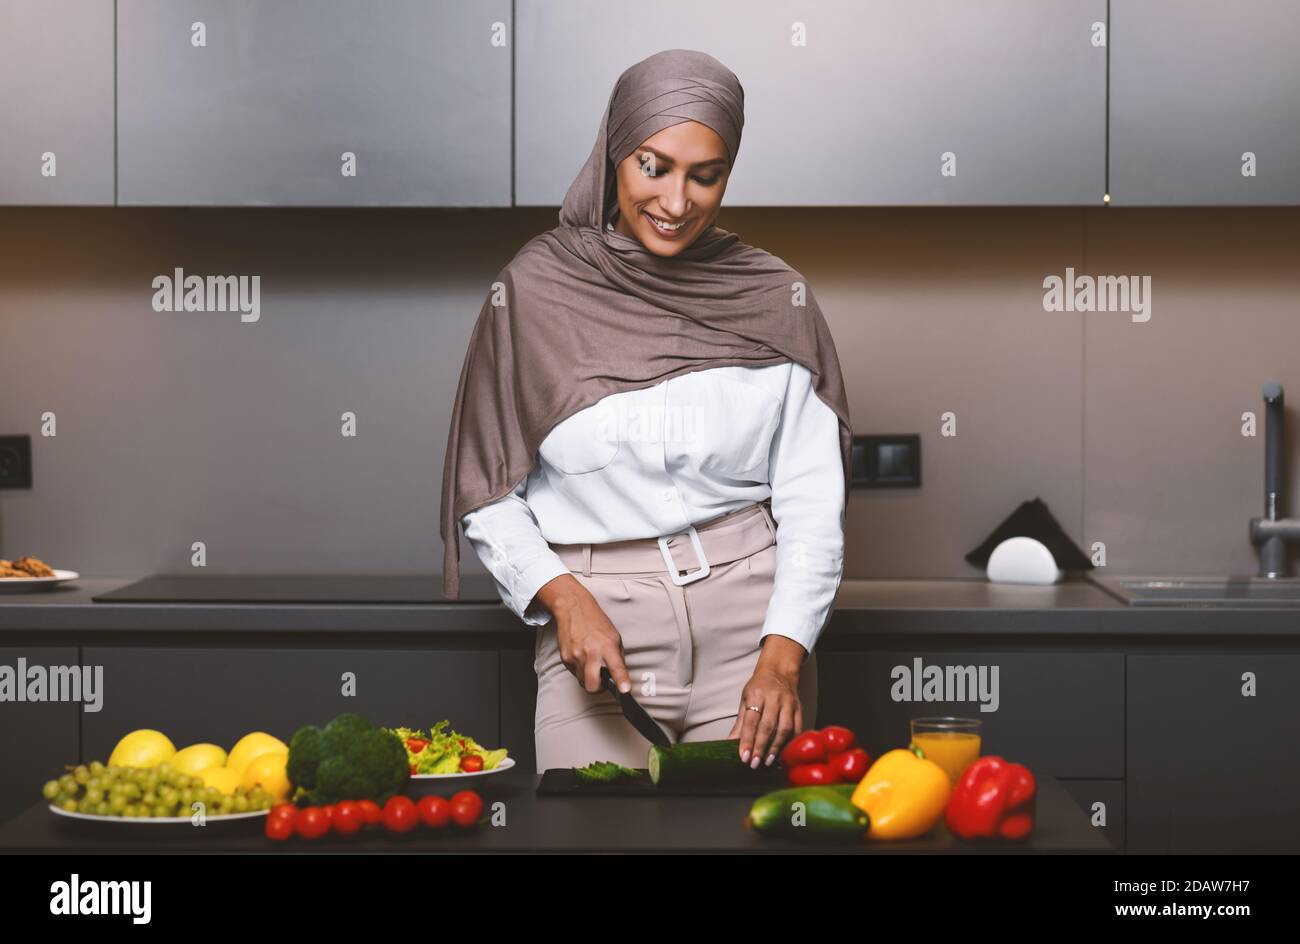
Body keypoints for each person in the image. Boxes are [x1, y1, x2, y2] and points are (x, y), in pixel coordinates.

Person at [440, 49, 852, 773]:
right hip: (599, 626)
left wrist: (783, 657)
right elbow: (490, 490)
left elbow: (812, 500)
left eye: (706, 174)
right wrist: (562, 598)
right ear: (612, 157)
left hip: (756, 630)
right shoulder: (535, 293)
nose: (676, 201)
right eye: (652, 166)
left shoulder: (774, 298)